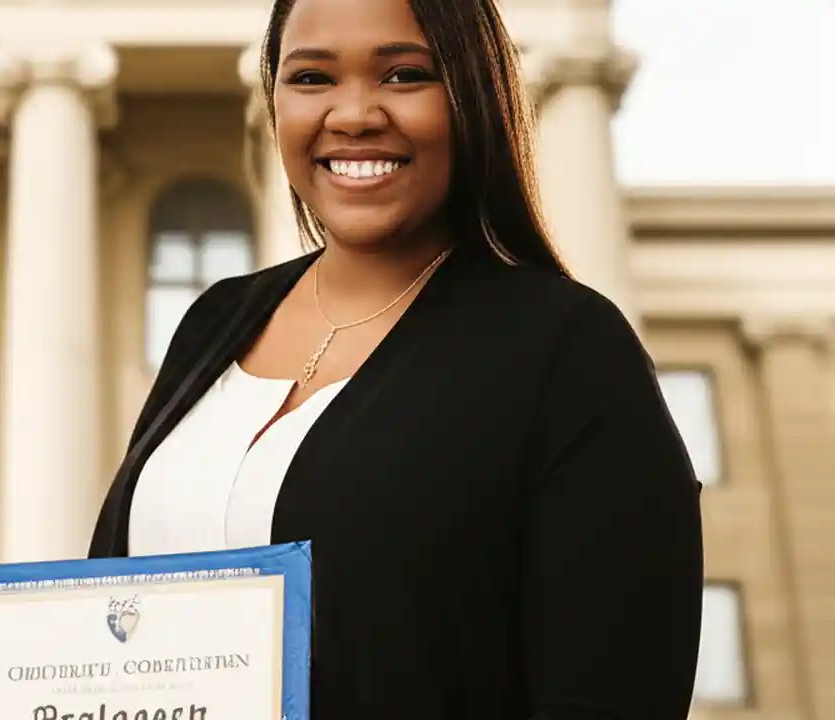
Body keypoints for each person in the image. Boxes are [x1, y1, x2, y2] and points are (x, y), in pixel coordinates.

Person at [89, 0, 704, 716]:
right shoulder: (215, 322)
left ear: (472, 94)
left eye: (405, 74)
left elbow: (615, 687)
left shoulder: (564, 347)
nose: (352, 114)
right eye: (311, 77)